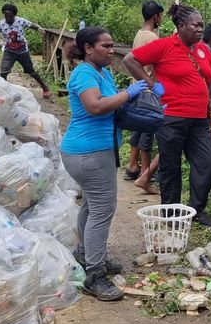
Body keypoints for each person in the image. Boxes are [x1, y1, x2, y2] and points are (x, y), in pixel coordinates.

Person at [122, 2, 211, 228]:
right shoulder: (164, 46)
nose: (200, 29)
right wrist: (150, 83)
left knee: (206, 162)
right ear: (182, 25)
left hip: (199, 120)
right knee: (170, 166)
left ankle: (196, 210)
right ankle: (171, 213)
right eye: (196, 25)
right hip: (171, 118)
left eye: (202, 26)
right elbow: (130, 60)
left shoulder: (201, 50)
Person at [59, 26, 148, 301]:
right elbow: (95, 106)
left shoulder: (102, 72)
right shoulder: (83, 73)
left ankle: (86, 254)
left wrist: (129, 95)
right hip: (88, 152)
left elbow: (112, 101)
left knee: (91, 206)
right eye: (106, 46)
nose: (112, 51)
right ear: (88, 49)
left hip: (98, 150)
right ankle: (94, 275)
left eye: (112, 46)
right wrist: (130, 93)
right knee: (102, 210)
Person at [124, 0, 165, 193]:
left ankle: (133, 166)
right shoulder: (153, 38)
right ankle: (145, 176)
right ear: (156, 16)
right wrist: (157, 87)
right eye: (161, 15)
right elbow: (156, 66)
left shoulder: (139, 34)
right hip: (148, 89)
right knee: (148, 130)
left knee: (139, 128)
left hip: (136, 86)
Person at [0, 3, 53, 98]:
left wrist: (39, 28)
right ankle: (5, 93)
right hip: (9, 51)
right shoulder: (0, 25)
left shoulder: (20, 21)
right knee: (3, 72)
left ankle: (45, 87)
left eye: (10, 16)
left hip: (22, 51)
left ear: (14, 15)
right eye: (6, 16)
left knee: (30, 71)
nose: (8, 18)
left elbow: (31, 25)